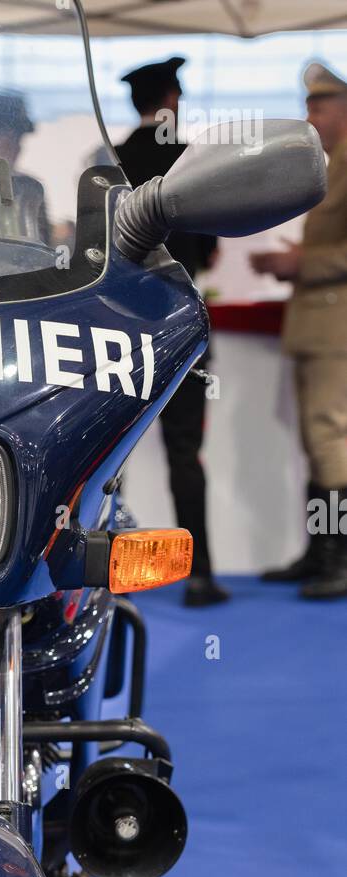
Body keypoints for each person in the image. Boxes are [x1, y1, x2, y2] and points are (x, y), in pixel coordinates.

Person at [118, 58, 228, 608]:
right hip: (182, 325)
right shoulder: (193, 165)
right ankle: (201, 574)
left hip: (123, 330)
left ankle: (112, 581)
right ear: (172, 99)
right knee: (186, 453)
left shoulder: (112, 163)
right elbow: (209, 249)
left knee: (112, 460)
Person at [251, 62, 347, 600]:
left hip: (337, 326)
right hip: (320, 323)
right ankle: (321, 553)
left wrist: (300, 263)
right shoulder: (334, 166)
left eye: (318, 107)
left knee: (330, 439)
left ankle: (338, 559)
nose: (310, 117)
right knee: (319, 442)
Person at [0, 91, 51, 246]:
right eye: (10, 138)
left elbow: (44, 250)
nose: (18, 147)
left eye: (18, 139)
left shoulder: (29, 189)